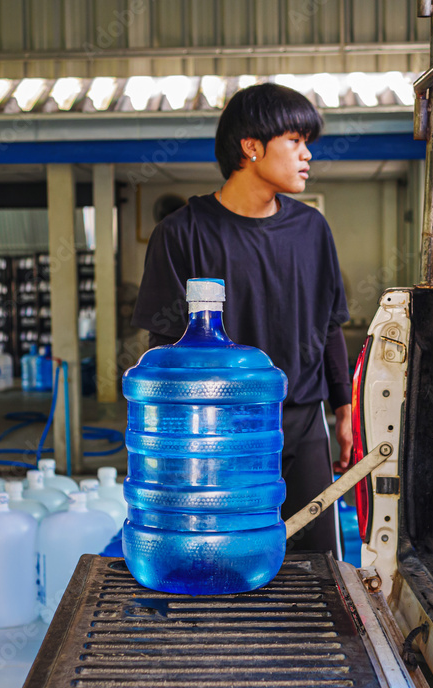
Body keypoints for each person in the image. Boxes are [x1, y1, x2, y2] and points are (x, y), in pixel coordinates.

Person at [131, 82, 352, 558]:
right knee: (225, 560)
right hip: (220, 429)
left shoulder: (312, 229)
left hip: (302, 422)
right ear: (251, 146)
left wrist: (344, 409)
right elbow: (163, 348)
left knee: (318, 564)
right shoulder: (182, 234)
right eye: (295, 141)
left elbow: (330, 325)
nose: (307, 154)